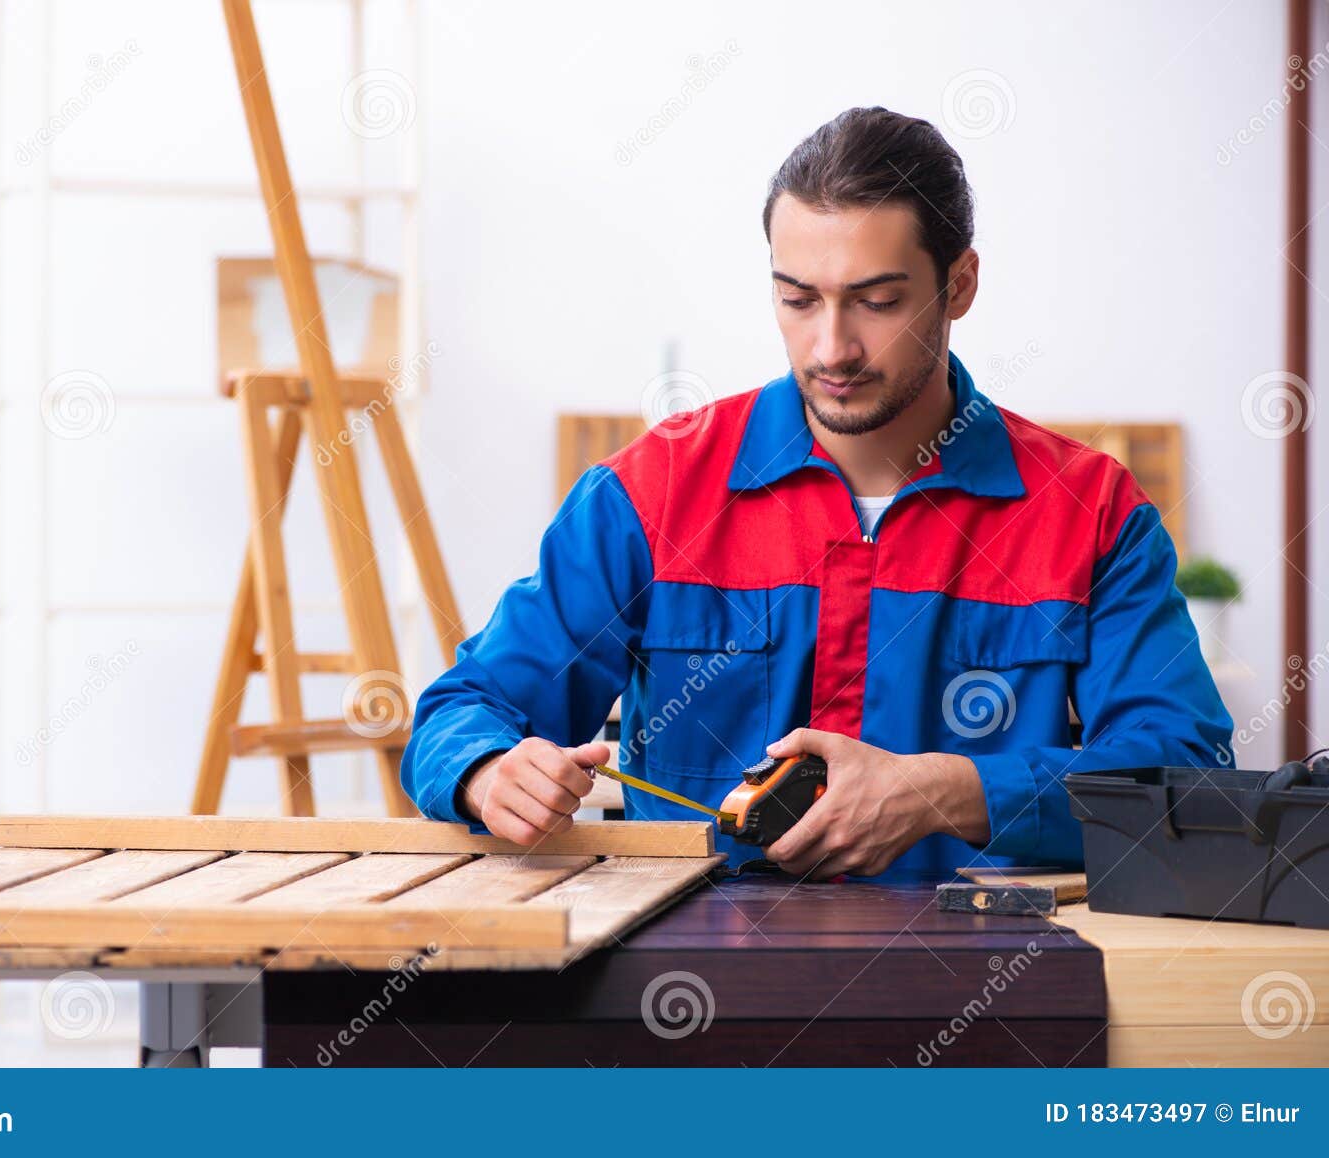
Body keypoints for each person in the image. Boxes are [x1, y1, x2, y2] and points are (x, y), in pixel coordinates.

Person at [399, 105, 1233, 880]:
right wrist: (484, 772)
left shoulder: (1089, 513)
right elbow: (464, 709)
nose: (832, 347)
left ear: (961, 285)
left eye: (877, 302)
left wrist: (945, 790)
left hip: (986, 998)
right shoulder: (649, 495)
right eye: (798, 300)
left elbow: (1187, 777)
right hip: (688, 1004)